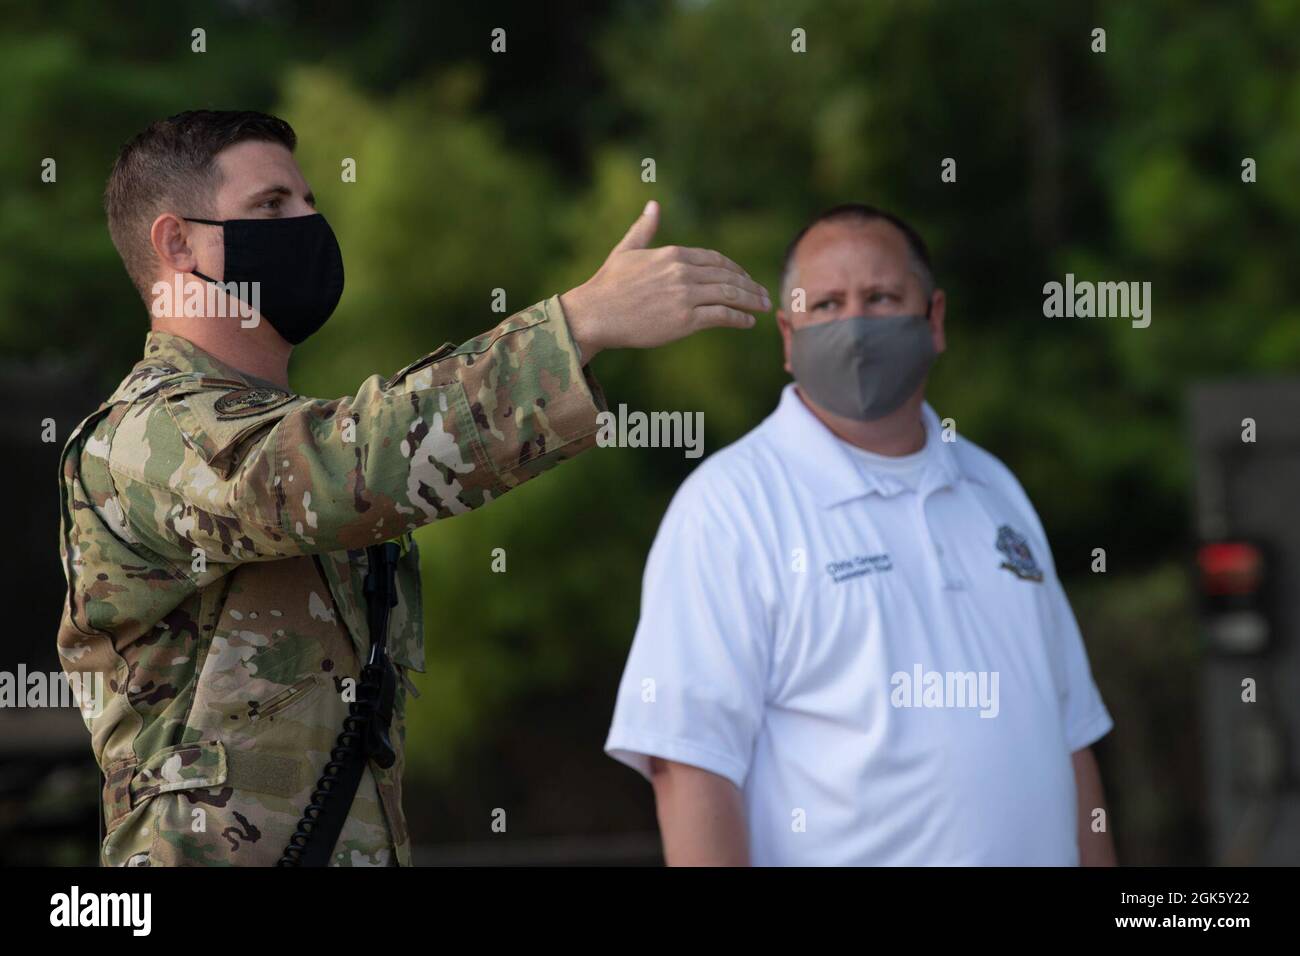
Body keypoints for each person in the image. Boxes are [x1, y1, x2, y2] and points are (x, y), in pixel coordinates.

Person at [56, 109, 771, 866]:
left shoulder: (281, 426)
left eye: (310, 203)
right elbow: (331, 475)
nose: (308, 223)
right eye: (271, 206)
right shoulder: (142, 433)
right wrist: (577, 325)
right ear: (175, 242)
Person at [604, 203, 1116, 866]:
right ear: (787, 337)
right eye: (825, 304)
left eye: (880, 298)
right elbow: (691, 765)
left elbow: (1071, 737)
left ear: (933, 320)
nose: (854, 326)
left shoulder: (995, 491)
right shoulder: (729, 509)